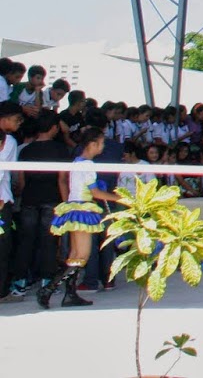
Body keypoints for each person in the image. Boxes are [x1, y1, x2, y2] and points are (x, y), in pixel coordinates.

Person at [37, 125, 119, 308]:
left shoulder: (76, 161)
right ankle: (48, 289)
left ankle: (70, 294)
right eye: (101, 143)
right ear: (93, 144)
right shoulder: (88, 165)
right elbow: (95, 192)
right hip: (83, 210)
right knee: (82, 255)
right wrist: (119, 198)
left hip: (74, 208)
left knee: (74, 255)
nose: (103, 147)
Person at [13, 110, 72, 294]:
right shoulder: (60, 150)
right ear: (54, 127)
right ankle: (47, 281)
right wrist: (67, 204)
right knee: (49, 240)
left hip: (29, 199)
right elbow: (62, 180)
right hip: (51, 198)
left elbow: (21, 181)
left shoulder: (26, 150)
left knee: (26, 240)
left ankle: (20, 282)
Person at [0, 102, 22, 301]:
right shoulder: (8, 141)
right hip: (2, 201)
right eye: (16, 120)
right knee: (3, 247)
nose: (18, 123)